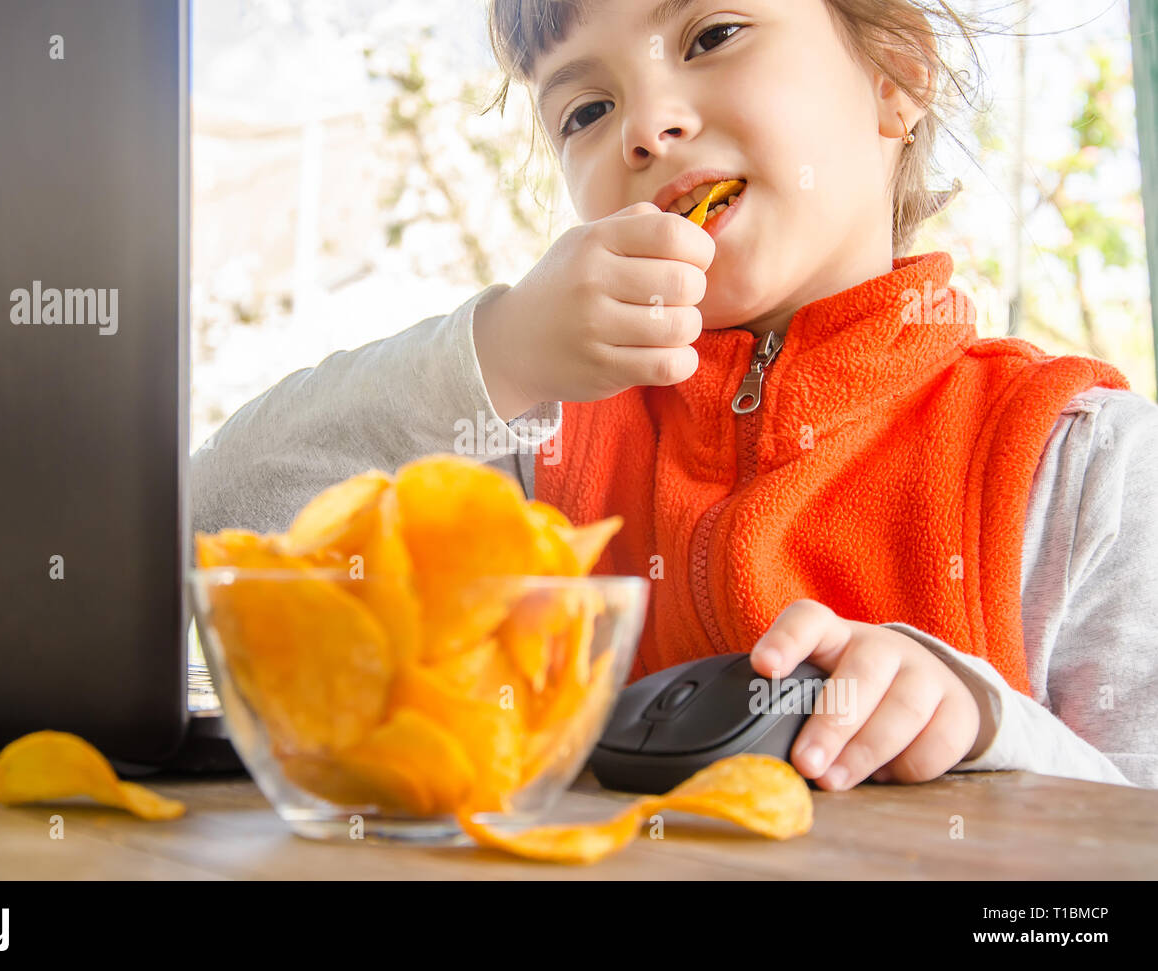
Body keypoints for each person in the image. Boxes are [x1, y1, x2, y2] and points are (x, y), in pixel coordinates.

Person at [192, 0, 1158, 790]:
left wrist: (986, 727)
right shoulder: (533, 455)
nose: (647, 126)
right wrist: (497, 350)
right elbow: (206, 525)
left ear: (894, 77)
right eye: (584, 111)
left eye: (711, 36)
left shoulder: (1085, 464)